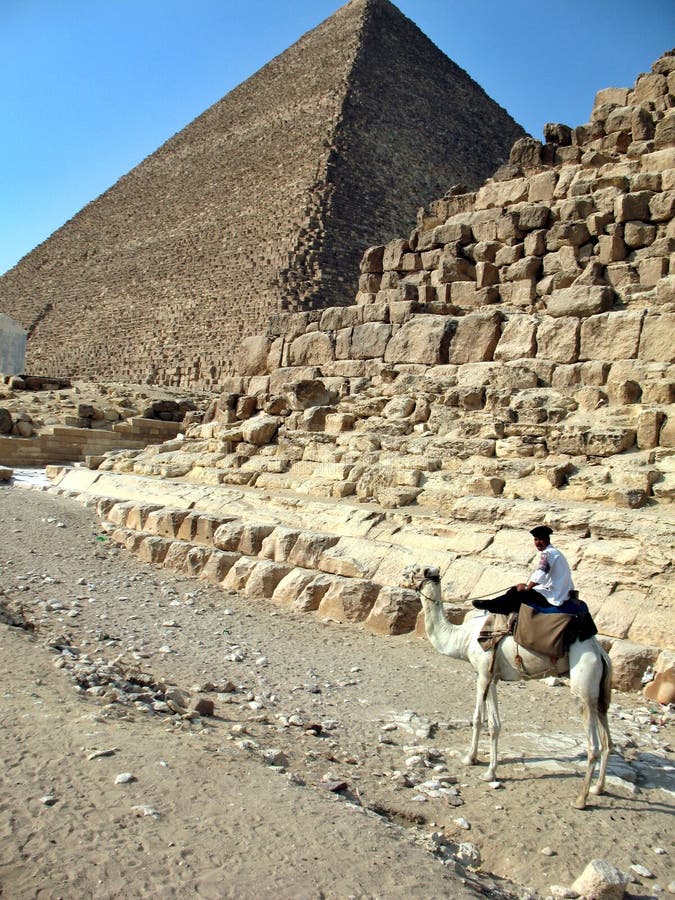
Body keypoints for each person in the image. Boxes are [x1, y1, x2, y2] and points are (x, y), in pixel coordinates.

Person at [473, 525, 582, 615]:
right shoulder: (555, 553)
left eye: (541, 539)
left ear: (547, 540)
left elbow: (541, 573)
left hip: (555, 597)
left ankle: (491, 605)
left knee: (515, 592)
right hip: (560, 593)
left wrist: (527, 588)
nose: (538, 542)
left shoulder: (548, 553)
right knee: (517, 589)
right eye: (536, 539)